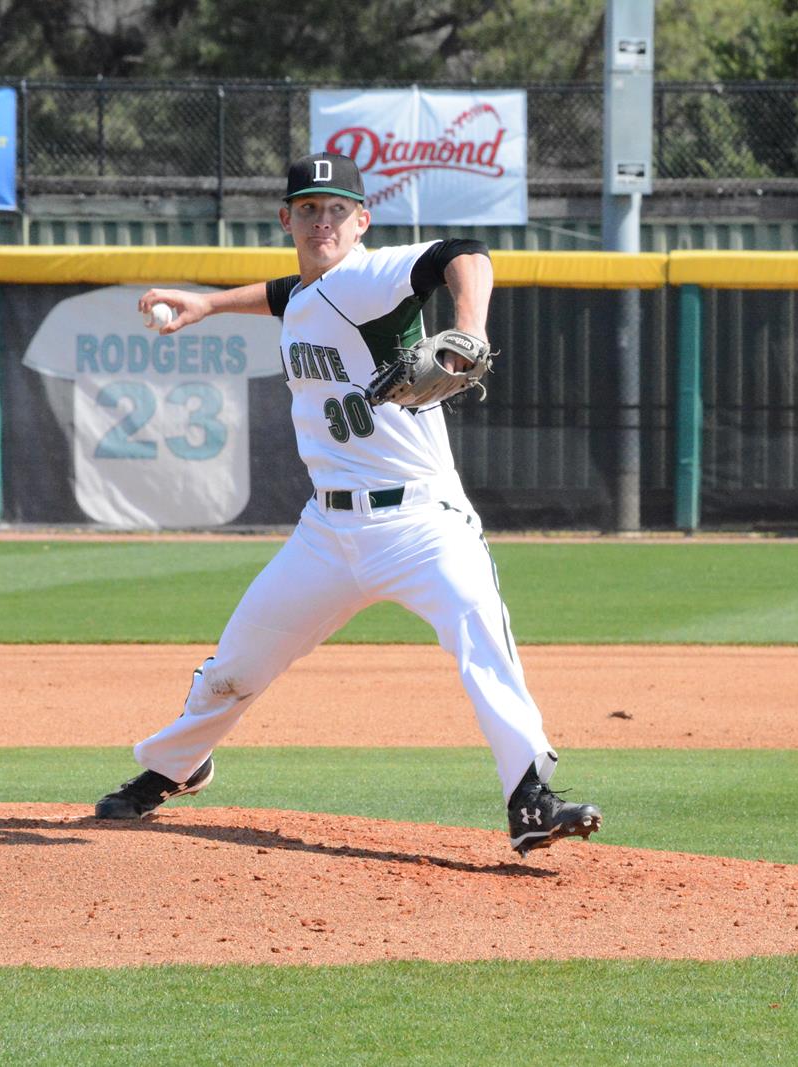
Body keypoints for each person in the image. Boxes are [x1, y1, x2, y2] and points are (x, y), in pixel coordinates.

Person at [94, 151, 602, 857]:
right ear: (287, 220)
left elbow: (465, 253)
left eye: (337, 209)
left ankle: (529, 796)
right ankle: (174, 767)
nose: (322, 220)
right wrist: (207, 303)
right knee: (236, 665)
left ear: (362, 221)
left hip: (422, 522)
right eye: (308, 209)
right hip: (327, 531)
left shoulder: (371, 274)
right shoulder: (311, 292)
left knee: (481, 637)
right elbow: (286, 294)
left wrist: (472, 330)